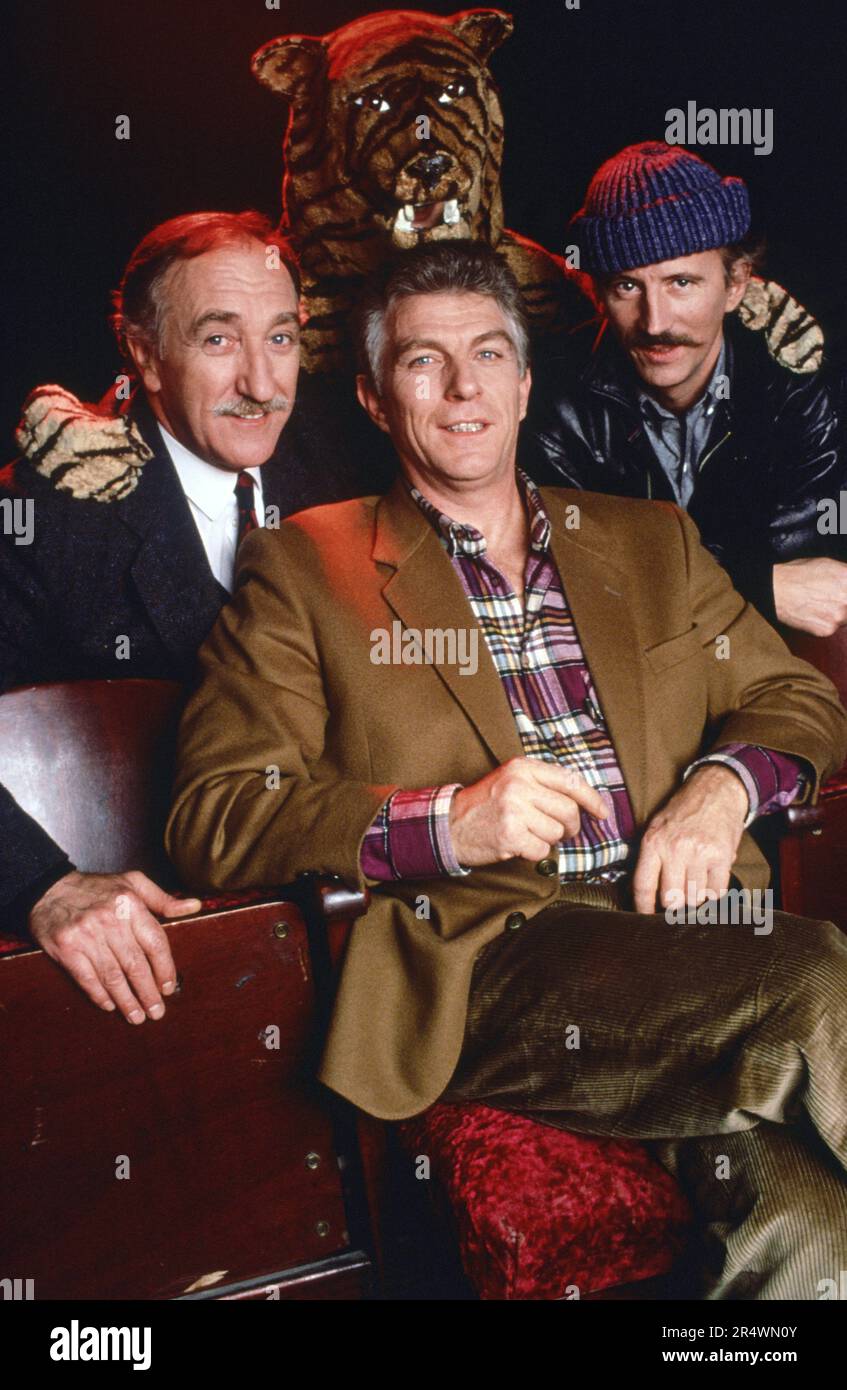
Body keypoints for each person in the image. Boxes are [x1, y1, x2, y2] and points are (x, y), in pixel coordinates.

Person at [166, 241, 847, 1299]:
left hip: (685, 940)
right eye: (424, 362)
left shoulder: (649, 538)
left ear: (526, 383)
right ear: (374, 396)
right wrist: (445, 822)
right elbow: (217, 809)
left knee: (810, 1227)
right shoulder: (302, 566)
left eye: (488, 354)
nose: (463, 386)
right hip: (491, 960)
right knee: (818, 976)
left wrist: (720, 791)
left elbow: (797, 697)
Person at [0, 210, 366, 1022]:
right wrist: (42, 887)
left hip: (347, 936)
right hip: (163, 973)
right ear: (142, 353)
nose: (262, 385)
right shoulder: (50, 511)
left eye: (280, 338)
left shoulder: (342, 462)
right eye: (216, 340)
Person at [520, 141, 847, 637]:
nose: (655, 322)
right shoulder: (556, 402)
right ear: (601, 293)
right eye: (627, 286)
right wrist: (758, 584)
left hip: (767, 652)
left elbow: (810, 570)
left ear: (735, 284)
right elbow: (580, 578)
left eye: (681, 283)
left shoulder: (794, 384)